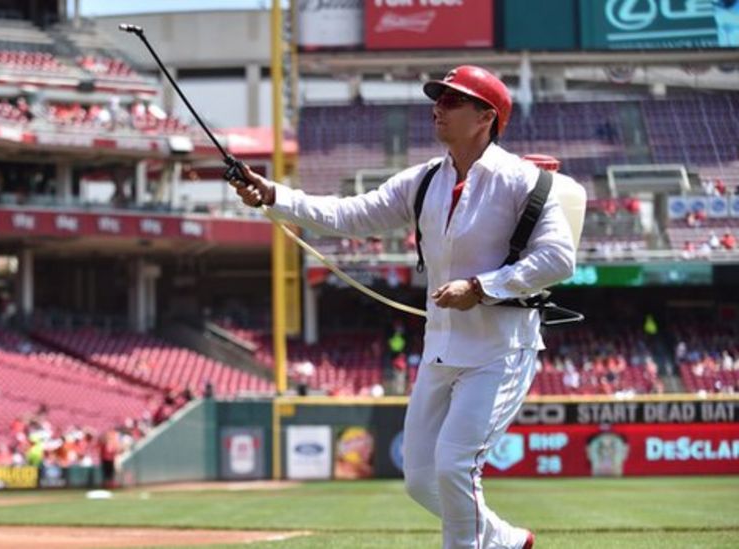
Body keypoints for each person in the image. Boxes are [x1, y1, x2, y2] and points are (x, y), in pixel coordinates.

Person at [230, 65, 577, 549]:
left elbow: (559, 258)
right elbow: (349, 214)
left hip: (500, 349)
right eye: (438, 98)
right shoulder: (422, 181)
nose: (438, 107)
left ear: (486, 117)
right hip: (441, 347)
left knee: (455, 466)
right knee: (420, 478)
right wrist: (274, 195)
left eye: (453, 100)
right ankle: (508, 540)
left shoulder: (523, 181)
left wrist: (481, 286)